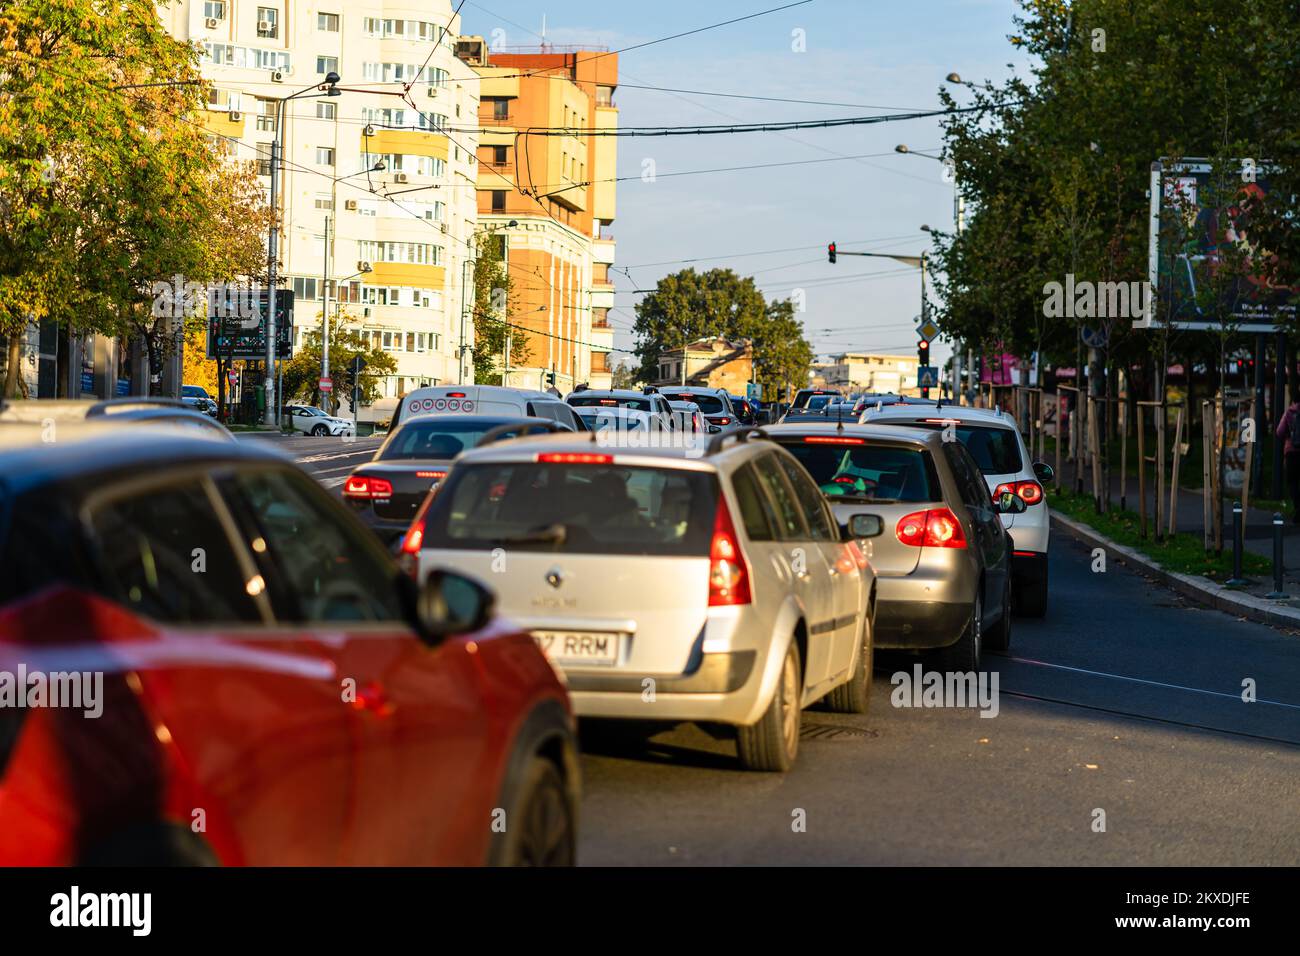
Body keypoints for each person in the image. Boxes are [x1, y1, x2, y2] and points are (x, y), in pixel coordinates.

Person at [1276, 397, 1300, 522]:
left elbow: (1279, 432)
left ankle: (1297, 508)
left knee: (1292, 482)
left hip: (1291, 452)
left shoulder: (1289, 412)